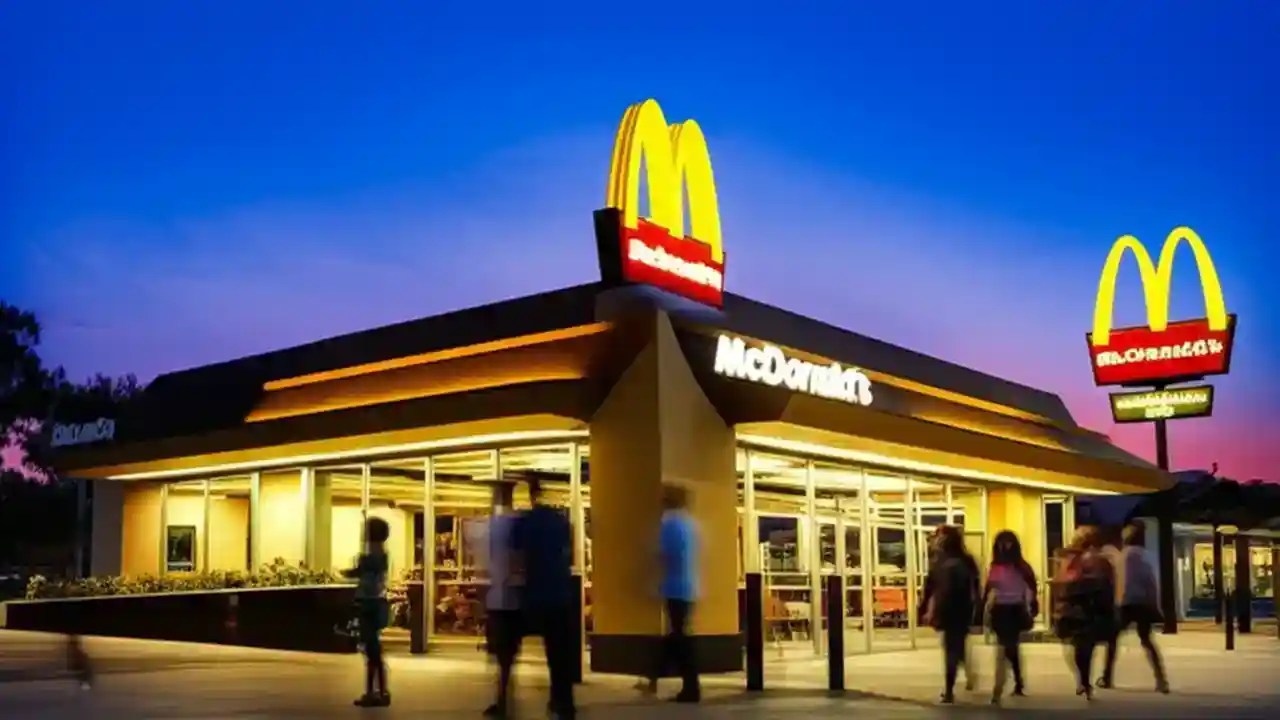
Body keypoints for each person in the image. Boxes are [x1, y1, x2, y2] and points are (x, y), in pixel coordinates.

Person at [513, 479, 576, 720]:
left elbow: (517, 555)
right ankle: (564, 701)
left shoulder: (527, 523)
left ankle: (508, 695)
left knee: (514, 647)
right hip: (560, 592)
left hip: (536, 593)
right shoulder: (560, 522)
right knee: (560, 653)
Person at [645, 484, 701, 703]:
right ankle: (657, 674)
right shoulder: (689, 524)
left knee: (679, 637)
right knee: (678, 634)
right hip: (688, 587)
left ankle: (688, 686)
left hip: (675, 587)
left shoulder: (670, 524)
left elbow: (661, 554)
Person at [1099, 522, 1169, 693]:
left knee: (1113, 639)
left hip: (1126, 602)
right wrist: (1155, 604)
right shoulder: (1147, 556)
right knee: (1146, 639)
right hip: (1144, 602)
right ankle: (1161, 680)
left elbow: (1116, 577)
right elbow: (1151, 581)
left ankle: (1107, 677)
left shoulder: (1123, 556)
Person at [1054, 525, 1115, 701]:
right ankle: (1084, 681)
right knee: (1085, 647)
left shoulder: (1068, 558)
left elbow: (1060, 583)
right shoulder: (1096, 559)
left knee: (1074, 647)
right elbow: (1105, 584)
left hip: (1071, 607)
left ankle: (1083, 681)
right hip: (1087, 607)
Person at [923, 525, 980, 704]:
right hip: (957, 608)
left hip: (952, 608)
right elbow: (930, 586)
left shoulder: (941, 560)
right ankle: (964, 673)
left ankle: (949, 689)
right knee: (955, 646)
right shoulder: (962, 559)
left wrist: (925, 606)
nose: (936, 539)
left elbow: (930, 587)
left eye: (939, 536)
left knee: (951, 648)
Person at [984, 531, 1038, 703]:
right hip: (1000, 610)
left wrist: (1030, 607)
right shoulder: (995, 567)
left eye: (1008, 543)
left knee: (1006, 647)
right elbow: (989, 590)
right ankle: (1016, 681)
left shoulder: (1022, 567)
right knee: (1008, 647)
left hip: (1015, 609)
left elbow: (1030, 589)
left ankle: (1000, 686)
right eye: (1001, 543)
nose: (1004, 547)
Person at [483, 483, 523, 718]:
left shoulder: (498, 526)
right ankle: (504, 698)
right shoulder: (516, 524)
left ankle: (503, 700)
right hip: (512, 600)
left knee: (501, 656)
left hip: (500, 600)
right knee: (506, 657)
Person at [343, 516, 391, 707]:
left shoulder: (373, 555)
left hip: (370, 603)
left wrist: (352, 569)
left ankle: (376, 692)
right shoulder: (379, 553)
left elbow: (363, 570)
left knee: (372, 652)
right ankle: (377, 691)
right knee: (373, 651)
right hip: (376, 602)